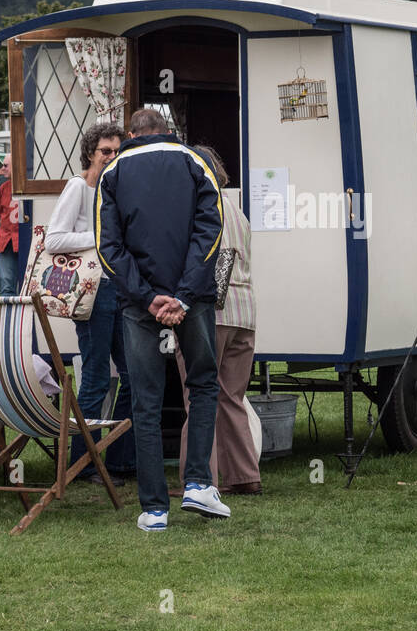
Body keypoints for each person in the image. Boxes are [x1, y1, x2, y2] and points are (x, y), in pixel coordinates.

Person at [96, 108, 227, 532]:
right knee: (203, 384)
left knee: (146, 401)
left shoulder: (112, 172)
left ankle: (154, 509)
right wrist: (184, 296)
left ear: (132, 134)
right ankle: (197, 484)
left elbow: (108, 247)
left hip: (139, 305)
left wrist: (149, 297)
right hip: (195, 299)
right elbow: (210, 232)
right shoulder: (196, 161)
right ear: (170, 132)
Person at [46, 122, 135, 483]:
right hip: (91, 293)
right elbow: (54, 239)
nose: (112, 157)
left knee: (132, 374)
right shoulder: (77, 187)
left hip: (118, 289)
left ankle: (116, 458)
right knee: (97, 378)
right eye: (105, 151)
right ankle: (83, 464)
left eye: (117, 151)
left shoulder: (117, 189)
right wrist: (99, 236)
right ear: (90, 154)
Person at [178, 145, 261, 495]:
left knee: (198, 396)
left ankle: (199, 479)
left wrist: (198, 304)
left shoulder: (204, 207)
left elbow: (220, 260)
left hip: (215, 312)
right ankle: (244, 475)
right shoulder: (236, 209)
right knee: (232, 397)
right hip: (246, 313)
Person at [0, 158, 20, 295]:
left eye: (5, 165)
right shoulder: (3, 189)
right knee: (6, 285)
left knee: (25, 284)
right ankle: (9, 315)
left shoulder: (25, 187)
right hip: (6, 242)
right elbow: (1, 212)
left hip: (22, 240)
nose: (2, 168)